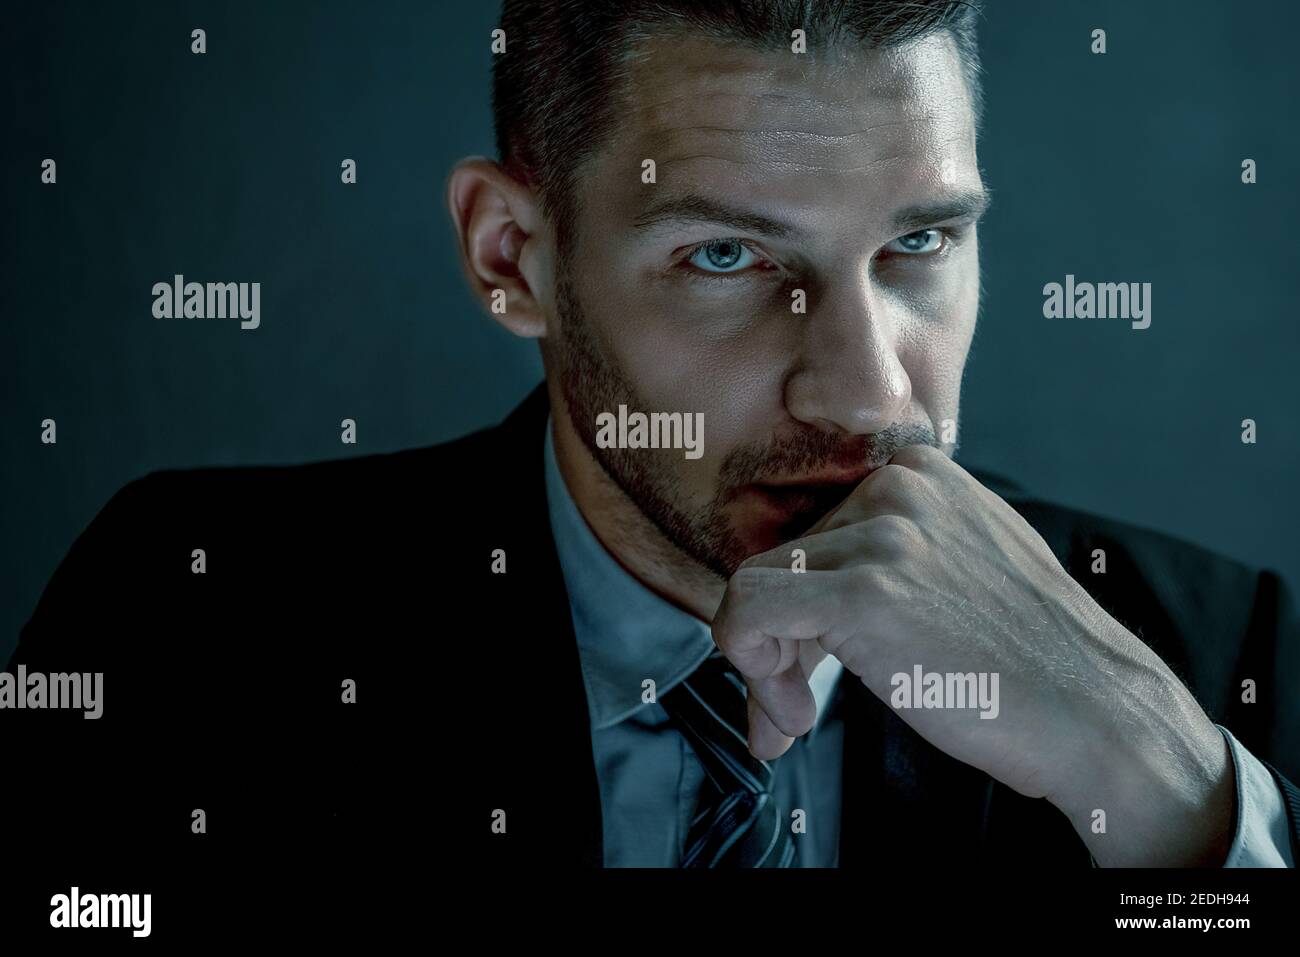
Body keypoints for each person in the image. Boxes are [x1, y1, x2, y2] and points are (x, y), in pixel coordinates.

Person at [11, 0, 1298, 870]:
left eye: (918, 244)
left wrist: (1162, 787)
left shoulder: (1205, 654)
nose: (862, 397)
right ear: (512, 256)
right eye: (726, 256)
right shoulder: (189, 617)